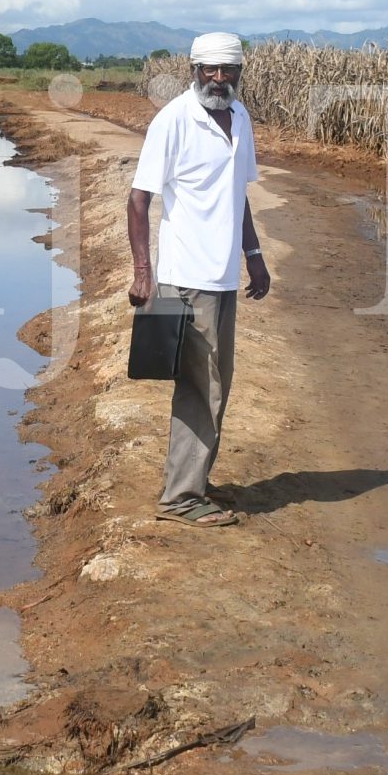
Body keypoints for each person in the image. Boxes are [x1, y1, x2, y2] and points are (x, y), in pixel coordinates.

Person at [127, 31, 271, 526]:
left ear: (238, 72)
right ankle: (181, 498)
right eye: (208, 68)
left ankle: (191, 484)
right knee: (200, 386)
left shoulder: (240, 117)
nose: (218, 77)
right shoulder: (172, 121)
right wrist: (143, 272)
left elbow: (239, 194)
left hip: (223, 274)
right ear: (193, 70)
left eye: (227, 69)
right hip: (186, 276)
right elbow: (139, 198)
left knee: (213, 385)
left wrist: (253, 255)